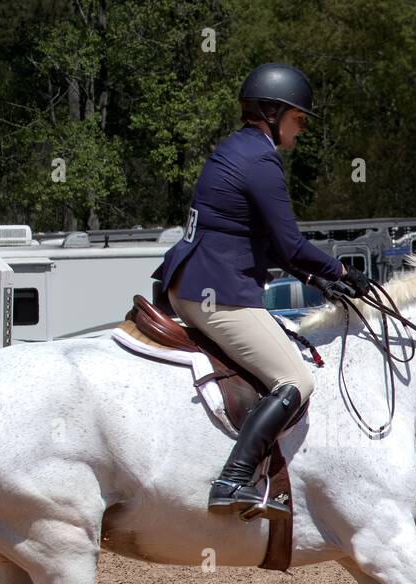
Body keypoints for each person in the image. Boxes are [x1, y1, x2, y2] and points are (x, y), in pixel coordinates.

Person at [153, 62, 370, 521]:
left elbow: (270, 243)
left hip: (195, 281)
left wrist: (318, 278)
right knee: (296, 379)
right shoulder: (261, 160)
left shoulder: (239, 149)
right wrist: (343, 270)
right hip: (218, 291)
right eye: (299, 118)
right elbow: (290, 244)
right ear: (273, 113)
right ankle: (233, 479)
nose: (302, 129)